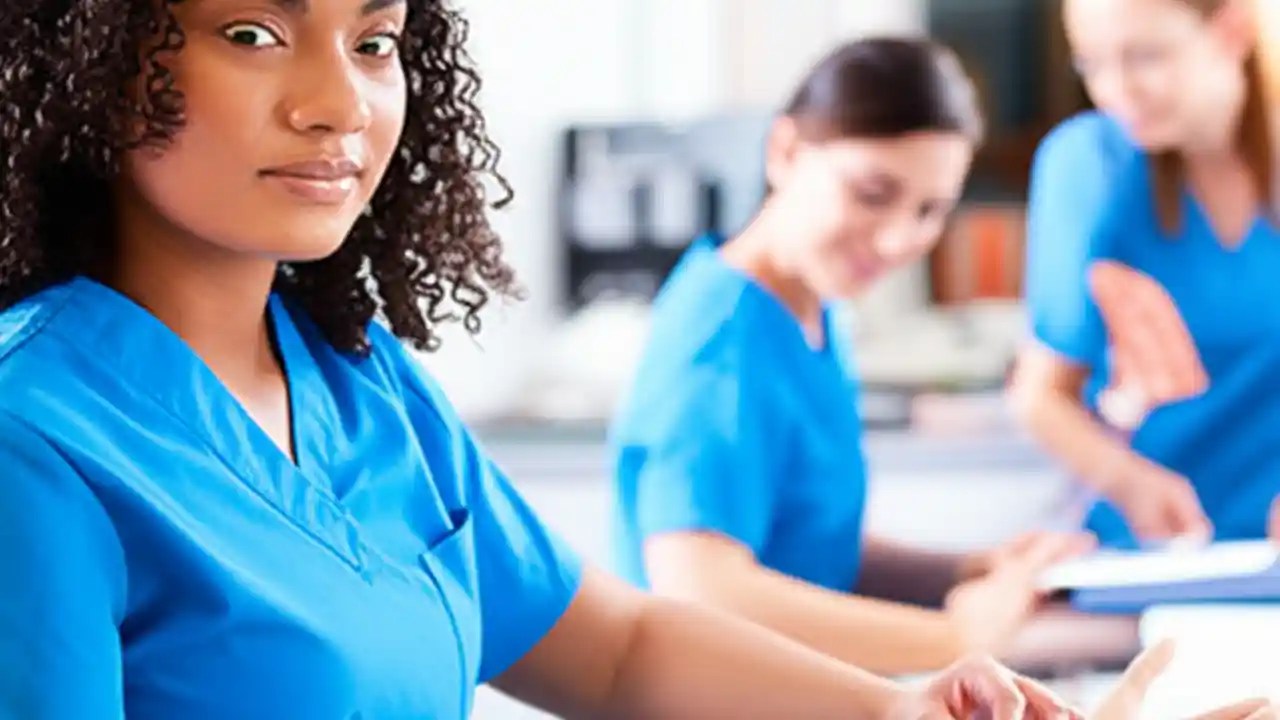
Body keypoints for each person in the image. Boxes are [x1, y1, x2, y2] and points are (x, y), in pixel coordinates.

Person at [0, 1, 1105, 718]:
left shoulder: (360, 379)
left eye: (373, 41)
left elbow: (616, 650)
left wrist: (907, 711)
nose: (336, 103)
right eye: (251, 33)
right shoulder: (33, 441)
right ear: (92, 55)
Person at [608, 37, 1106, 678]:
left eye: (930, 210)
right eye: (873, 193)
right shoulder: (723, 334)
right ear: (786, 152)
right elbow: (702, 586)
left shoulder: (810, 310)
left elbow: (808, 549)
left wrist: (967, 570)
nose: (901, 238)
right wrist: (953, 638)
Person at [1008, 0, 1280, 548]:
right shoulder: (1088, 164)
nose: (1115, 90)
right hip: (1151, 552)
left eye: (1146, 56)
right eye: (1092, 64)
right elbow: (1040, 396)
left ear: (1231, 30)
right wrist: (1128, 483)